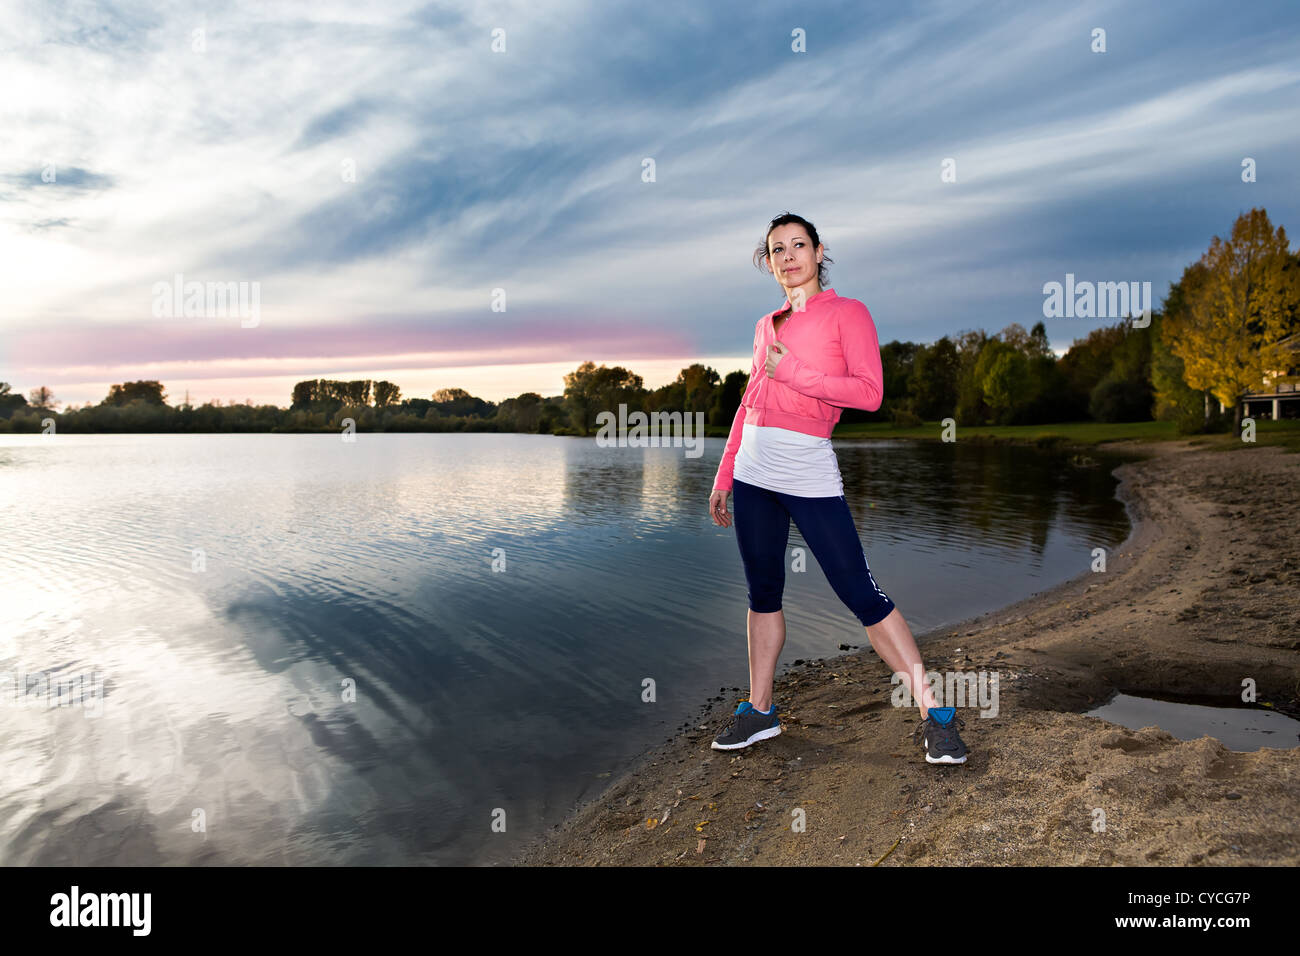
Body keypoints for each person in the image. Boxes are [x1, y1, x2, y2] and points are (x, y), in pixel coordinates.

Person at [707, 212, 968, 764]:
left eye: (798, 245)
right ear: (769, 261)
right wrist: (724, 472)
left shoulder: (848, 314)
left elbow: (869, 393)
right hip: (753, 472)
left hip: (808, 469)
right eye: (776, 249)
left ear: (819, 252)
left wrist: (796, 374)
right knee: (762, 594)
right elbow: (749, 400)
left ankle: (935, 714)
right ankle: (760, 711)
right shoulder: (765, 324)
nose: (788, 256)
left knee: (861, 594)